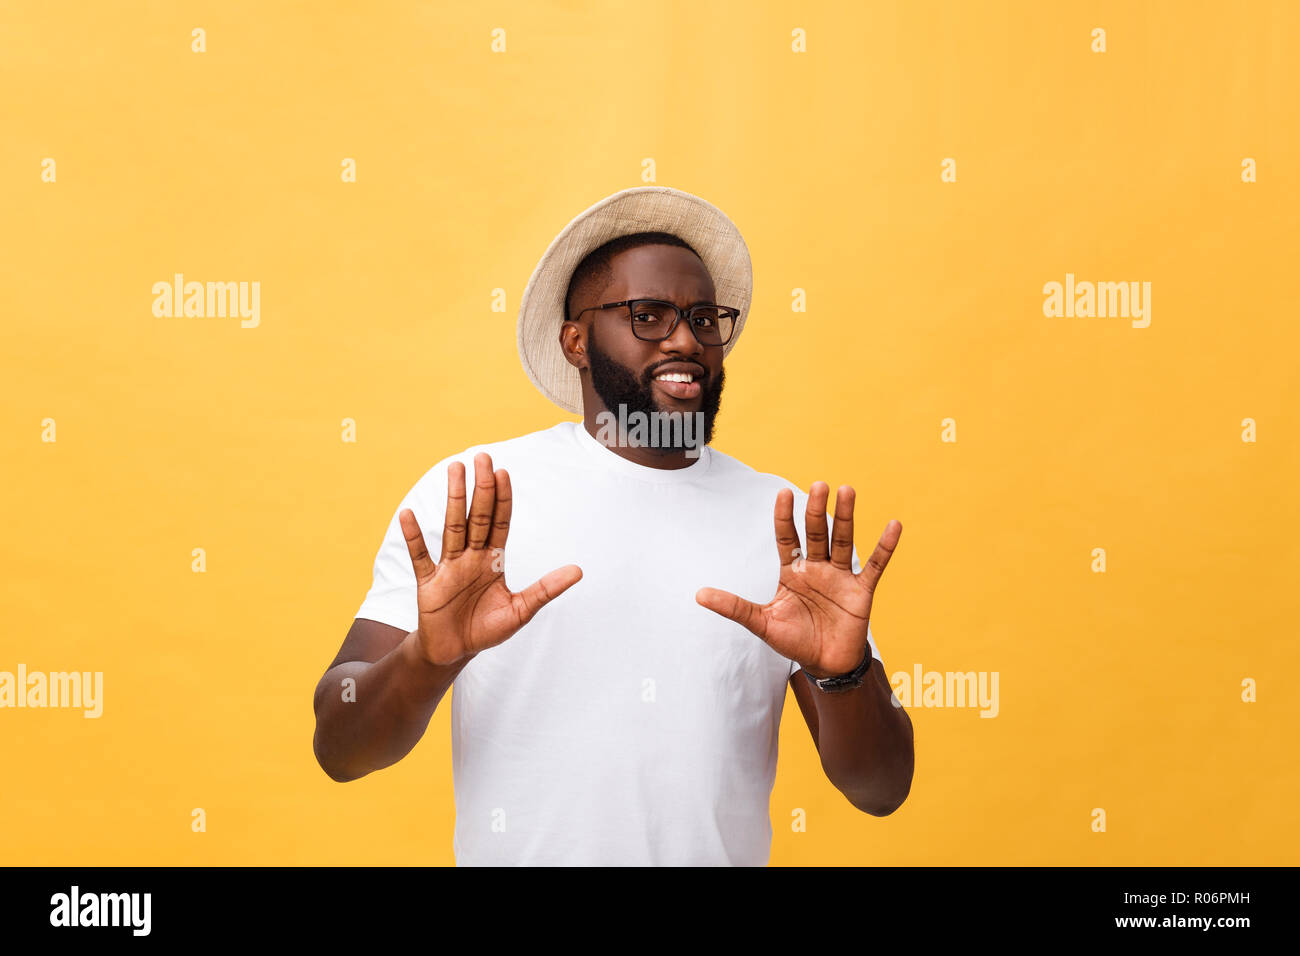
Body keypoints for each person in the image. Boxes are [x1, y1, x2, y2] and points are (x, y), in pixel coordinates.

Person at [312, 187, 914, 865]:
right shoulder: (476, 501)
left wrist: (844, 673)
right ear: (576, 339)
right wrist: (426, 659)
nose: (686, 339)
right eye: (647, 315)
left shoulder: (785, 527)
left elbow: (882, 787)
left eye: (703, 317)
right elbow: (339, 747)